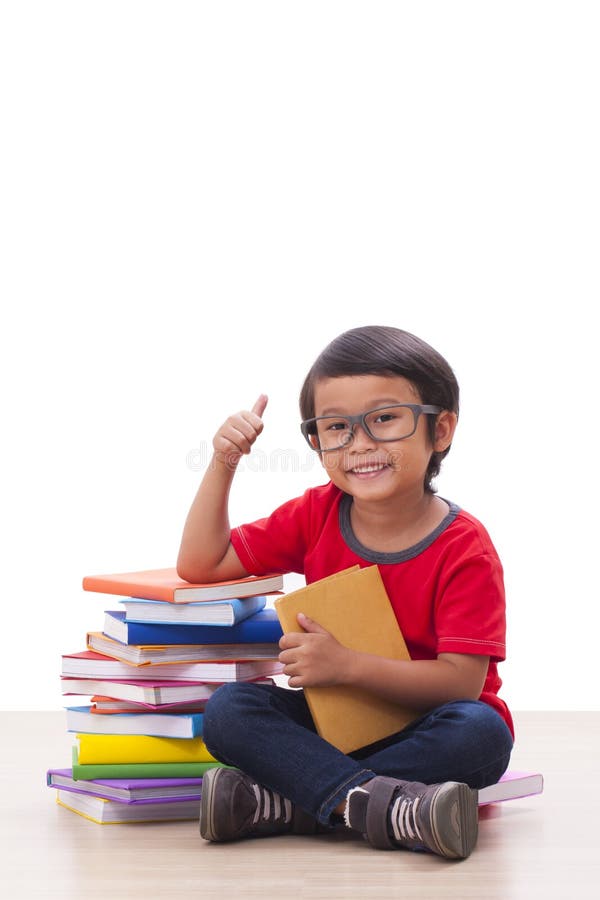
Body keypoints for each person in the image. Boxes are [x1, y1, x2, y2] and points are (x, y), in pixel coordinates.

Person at [177, 325, 514, 860]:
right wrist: (224, 462)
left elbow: (460, 684)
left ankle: (290, 801)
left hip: (431, 725)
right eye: (336, 427)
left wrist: (347, 666)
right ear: (316, 441)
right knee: (228, 709)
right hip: (332, 719)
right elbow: (201, 564)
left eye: (384, 419)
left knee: (482, 734)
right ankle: (379, 806)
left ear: (441, 429)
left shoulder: (464, 547)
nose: (360, 444)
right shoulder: (317, 512)